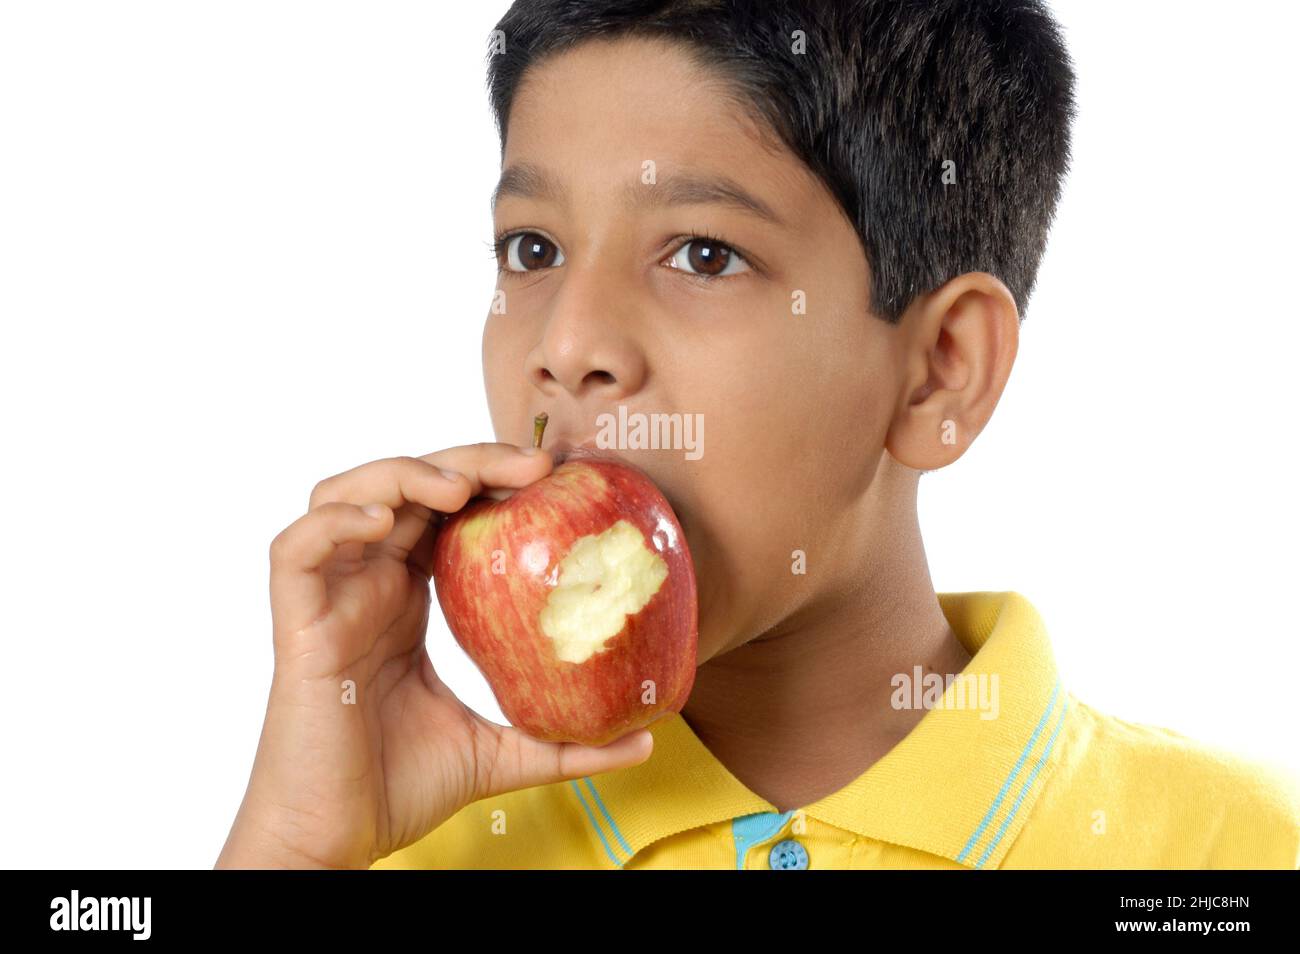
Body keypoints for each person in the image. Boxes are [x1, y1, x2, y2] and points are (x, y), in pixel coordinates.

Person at [217, 0, 1300, 870]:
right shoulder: (401, 846)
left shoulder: (1236, 853)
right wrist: (294, 849)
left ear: (939, 372)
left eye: (700, 255)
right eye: (534, 249)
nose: (569, 342)